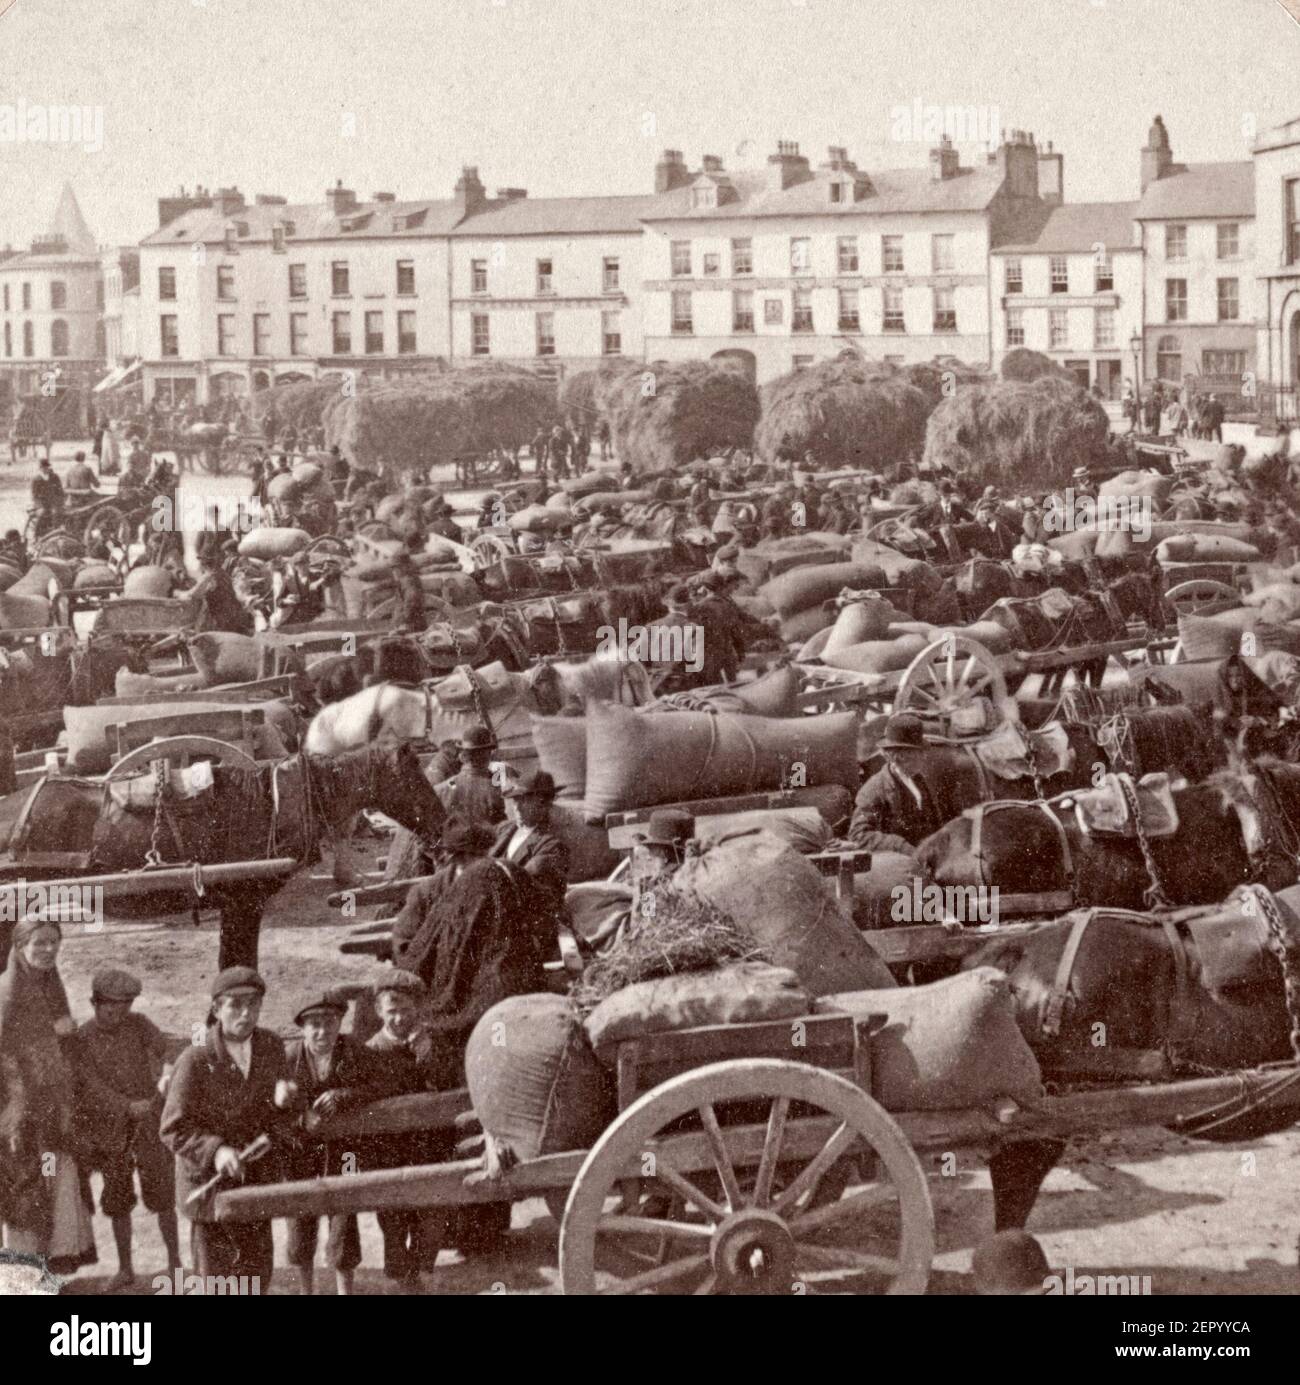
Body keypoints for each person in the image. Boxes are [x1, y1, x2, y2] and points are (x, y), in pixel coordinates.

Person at [160, 966, 292, 1288]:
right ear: (217, 1009)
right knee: (216, 1283)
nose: (246, 1014)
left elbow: (284, 1116)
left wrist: (286, 1100)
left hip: (255, 1183)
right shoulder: (195, 1058)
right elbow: (172, 1128)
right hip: (209, 1189)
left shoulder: (272, 1047)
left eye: (254, 1004)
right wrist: (216, 1150)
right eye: (235, 1005)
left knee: (256, 1278)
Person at [0, 919, 97, 1274]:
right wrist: (48, 1033)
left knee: (53, 1180)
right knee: (26, 1194)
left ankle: (50, 1271)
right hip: (20, 1120)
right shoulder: (8, 992)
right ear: (20, 945)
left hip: (54, 1117)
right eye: (39, 943)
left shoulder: (50, 986)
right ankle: (25, 1278)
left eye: (54, 942)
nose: (48, 950)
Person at [73, 968, 179, 1290]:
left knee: (162, 1196)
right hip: (110, 1131)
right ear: (94, 1002)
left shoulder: (141, 1024)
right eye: (110, 1005)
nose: (119, 1012)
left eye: (125, 1005)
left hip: (149, 1124)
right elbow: (89, 1085)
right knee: (118, 1199)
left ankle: (175, 1263)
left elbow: (167, 1050)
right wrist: (124, 1106)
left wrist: (166, 1075)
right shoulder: (83, 1037)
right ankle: (125, 1268)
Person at [282, 991, 373, 1296]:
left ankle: (344, 1292)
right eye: (314, 1024)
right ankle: (307, 1291)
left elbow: (381, 1084)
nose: (323, 1032)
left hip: (346, 1150)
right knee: (300, 1221)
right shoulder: (288, 1058)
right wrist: (300, 1120)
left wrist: (343, 1095)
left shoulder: (353, 1051)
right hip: (300, 1152)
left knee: (345, 1215)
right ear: (302, 1028)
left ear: (340, 1023)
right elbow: (267, 1109)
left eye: (330, 1023)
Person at [364, 971, 450, 1290]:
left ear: (419, 1010)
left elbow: (448, 1083)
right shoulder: (371, 1051)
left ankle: (424, 1265)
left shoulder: (434, 1043)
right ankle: (399, 1275)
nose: (399, 1018)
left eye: (407, 1011)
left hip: (430, 1145)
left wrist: (428, 1055)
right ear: (379, 1011)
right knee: (393, 1217)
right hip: (390, 1150)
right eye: (392, 1011)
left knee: (432, 1212)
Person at [490, 769, 569, 959]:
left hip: (527, 923)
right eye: (515, 801)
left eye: (523, 801)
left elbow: (523, 881)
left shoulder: (551, 844)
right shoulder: (505, 829)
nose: (516, 807)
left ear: (543, 804)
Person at [848, 714, 946, 846]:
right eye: (917, 752)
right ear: (899, 756)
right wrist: (900, 846)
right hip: (899, 862)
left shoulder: (919, 781)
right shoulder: (874, 789)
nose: (924, 757)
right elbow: (858, 835)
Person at [435, 725, 505, 829]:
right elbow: (501, 828)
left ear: (463, 755)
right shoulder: (492, 791)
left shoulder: (444, 787)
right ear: (488, 755)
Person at [186, 547, 253, 635]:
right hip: (233, 617)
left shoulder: (209, 576)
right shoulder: (224, 574)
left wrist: (178, 593)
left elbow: (193, 594)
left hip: (218, 622)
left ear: (203, 563)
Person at [390, 550, 426, 634]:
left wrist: (403, 624)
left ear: (404, 567)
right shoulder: (407, 580)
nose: (393, 571)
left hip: (411, 629)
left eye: (396, 568)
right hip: (410, 627)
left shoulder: (408, 581)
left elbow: (411, 601)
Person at [30, 456, 65, 536]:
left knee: (57, 512)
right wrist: (40, 505)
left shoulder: (54, 477)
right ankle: (37, 533)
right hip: (41, 503)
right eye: (43, 468)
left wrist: (60, 500)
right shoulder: (36, 479)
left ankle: (55, 531)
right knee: (42, 512)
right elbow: (34, 495)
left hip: (53, 501)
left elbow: (60, 490)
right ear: (40, 468)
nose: (46, 469)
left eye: (47, 467)